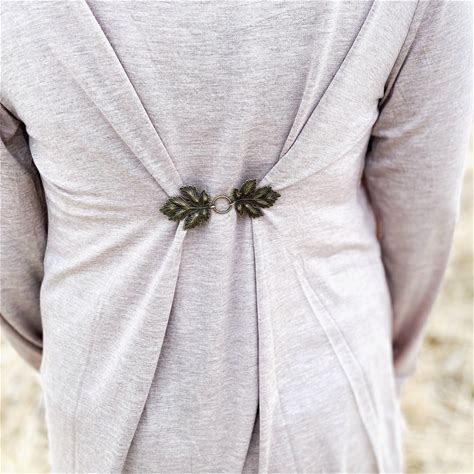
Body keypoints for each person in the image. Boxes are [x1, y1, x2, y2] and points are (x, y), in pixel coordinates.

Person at [1, 1, 471, 473]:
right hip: (326, 378)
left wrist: (76, 346)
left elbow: (10, 258)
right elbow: (421, 213)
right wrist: (389, 358)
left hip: (110, 390)